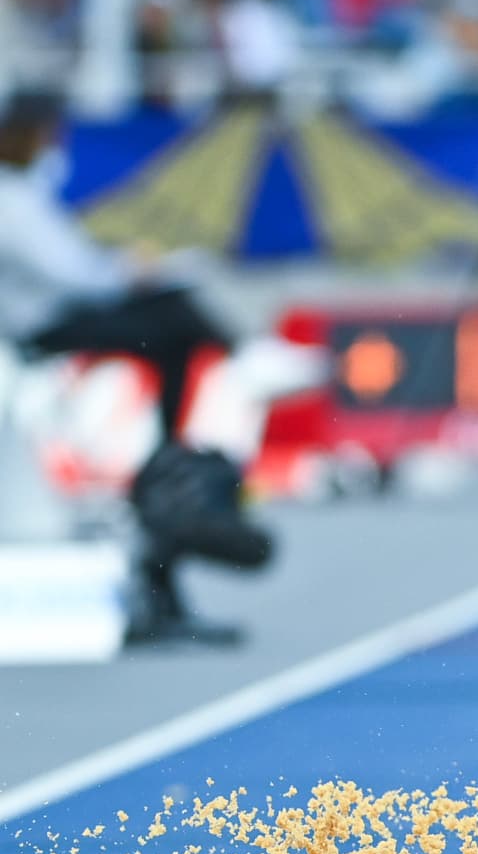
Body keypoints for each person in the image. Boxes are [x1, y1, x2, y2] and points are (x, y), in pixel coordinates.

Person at [0, 91, 281, 646]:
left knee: (175, 320)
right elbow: (77, 276)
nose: (60, 147)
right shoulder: (11, 200)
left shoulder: (26, 195)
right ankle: (233, 375)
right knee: (174, 311)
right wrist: (135, 270)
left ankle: (173, 442)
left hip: (66, 313)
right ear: (32, 134)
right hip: (48, 326)